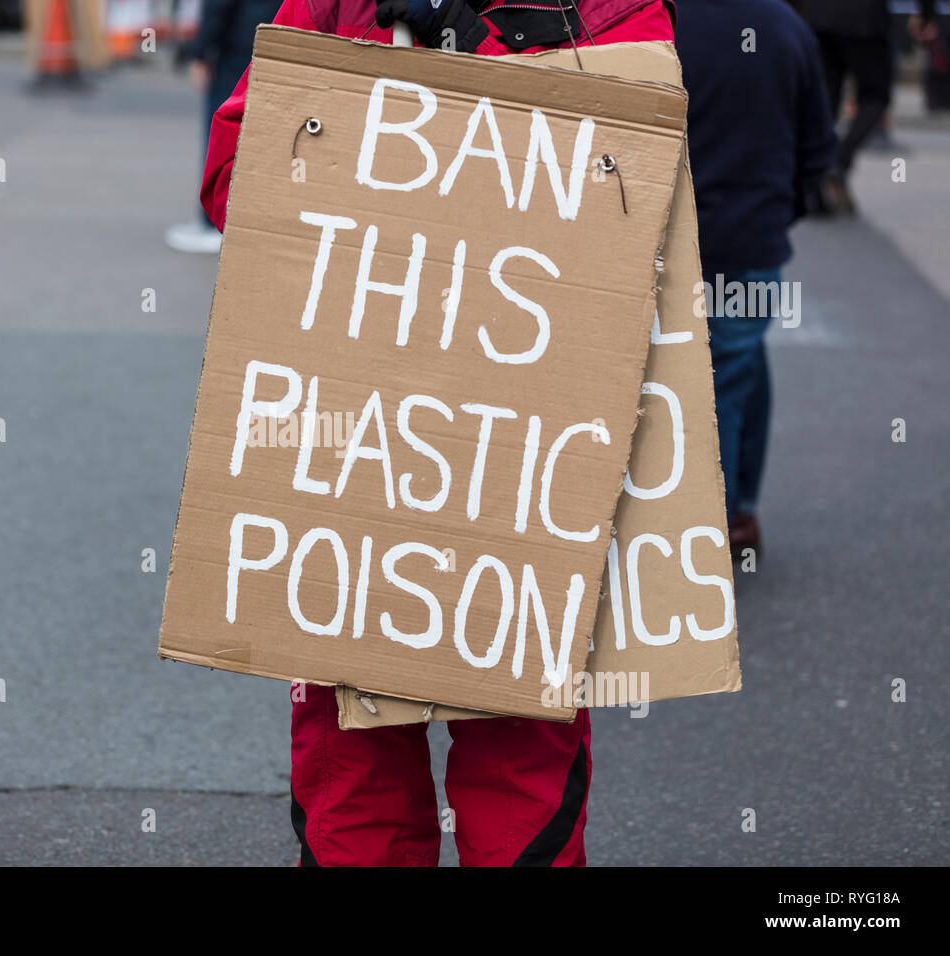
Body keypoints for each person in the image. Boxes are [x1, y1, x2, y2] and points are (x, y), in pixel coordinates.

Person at [200, 0, 677, 867]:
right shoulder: (337, 5)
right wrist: (373, 90)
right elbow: (234, 182)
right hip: (355, 438)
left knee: (519, 748)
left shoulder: (605, 9)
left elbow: (644, 193)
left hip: (522, 440)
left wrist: (504, 57)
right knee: (352, 749)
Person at [677, 0, 836, 554]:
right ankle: (735, 515)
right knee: (734, 365)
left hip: (665, 231)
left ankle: (706, 530)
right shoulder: (785, 26)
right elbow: (817, 151)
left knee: (698, 372)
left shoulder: (652, 19)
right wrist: (775, 210)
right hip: (748, 239)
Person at [791, 0, 935, 213]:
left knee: (825, 101)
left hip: (819, 16)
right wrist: (926, 14)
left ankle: (819, 172)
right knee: (876, 97)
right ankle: (838, 161)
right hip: (864, 18)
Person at [165, 0, 284, 253]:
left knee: (225, 132)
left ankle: (215, 222)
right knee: (267, 134)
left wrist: (201, 51)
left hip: (237, 46)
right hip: (278, 38)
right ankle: (254, 221)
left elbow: (218, 5)